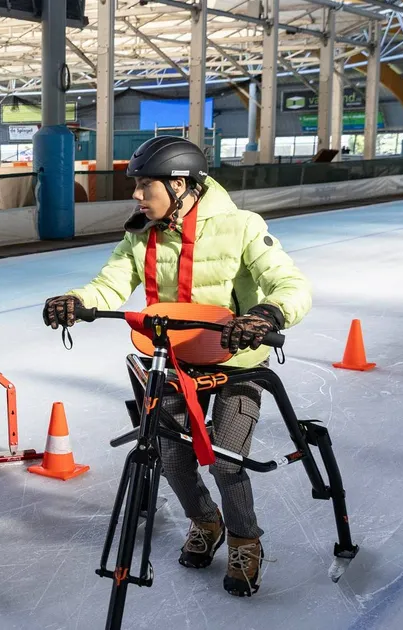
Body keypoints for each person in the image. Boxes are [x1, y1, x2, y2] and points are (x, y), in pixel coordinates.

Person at [42, 136, 311, 597]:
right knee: (171, 458)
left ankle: (245, 539)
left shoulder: (242, 226)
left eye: (145, 186)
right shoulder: (141, 234)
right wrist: (77, 300)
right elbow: (110, 283)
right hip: (173, 360)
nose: (136, 195)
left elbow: (289, 283)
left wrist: (265, 315)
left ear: (180, 185)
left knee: (225, 461)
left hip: (237, 361)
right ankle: (205, 520)